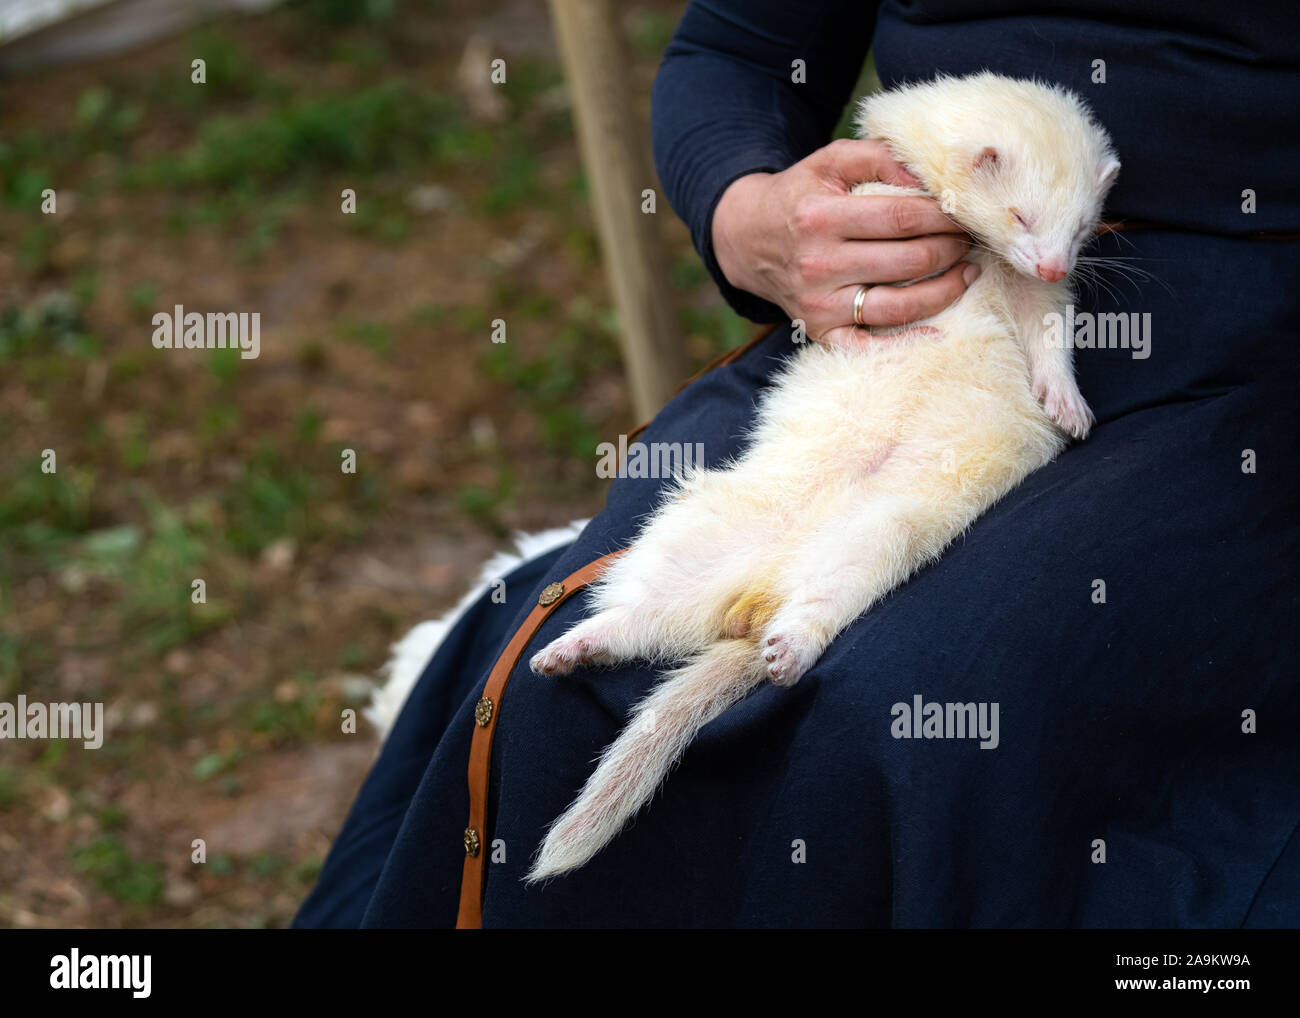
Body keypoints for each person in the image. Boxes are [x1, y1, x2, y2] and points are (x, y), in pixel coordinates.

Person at [296, 0, 1300, 927]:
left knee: (899, 715)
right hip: (906, 297)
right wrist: (752, 219)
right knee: (570, 688)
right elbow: (736, 46)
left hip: (1241, 337)